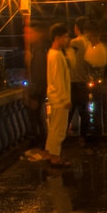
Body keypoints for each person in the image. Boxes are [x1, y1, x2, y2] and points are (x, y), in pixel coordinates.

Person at [31, 24, 74, 166]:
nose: (67, 39)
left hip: (56, 97)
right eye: (65, 37)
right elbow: (58, 79)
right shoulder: (55, 55)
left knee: (55, 128)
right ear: (57, 38)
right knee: (59, 129)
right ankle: (55, 157)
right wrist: (65, 99)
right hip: (60, 98)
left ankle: (51, 153)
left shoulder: (53, 53)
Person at [64, 23, 92, 142]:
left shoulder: (73, 43)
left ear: (77, 28)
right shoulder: (89, 44)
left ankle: (62, 137)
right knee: (84, 112)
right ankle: (82, 137)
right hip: (83, 81)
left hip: (72, 81)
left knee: (68, 112)